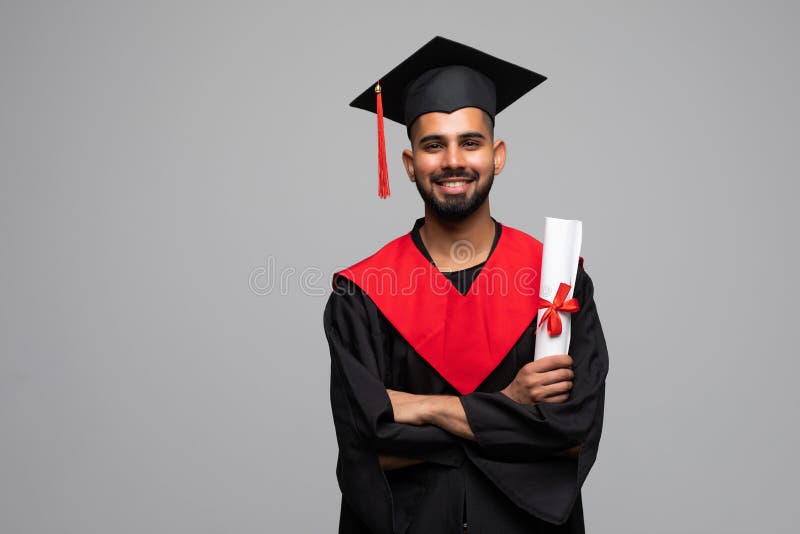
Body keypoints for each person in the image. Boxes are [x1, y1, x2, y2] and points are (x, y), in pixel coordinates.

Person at [323, 36, 609, 534]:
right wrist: (513, 408)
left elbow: (571, 434)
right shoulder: (361, 294)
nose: (453, 160)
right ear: (411, 164)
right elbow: (366, 447)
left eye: (470, 142)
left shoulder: (558, 280)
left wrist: (418, 408)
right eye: (434, 145)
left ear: (497, 156)